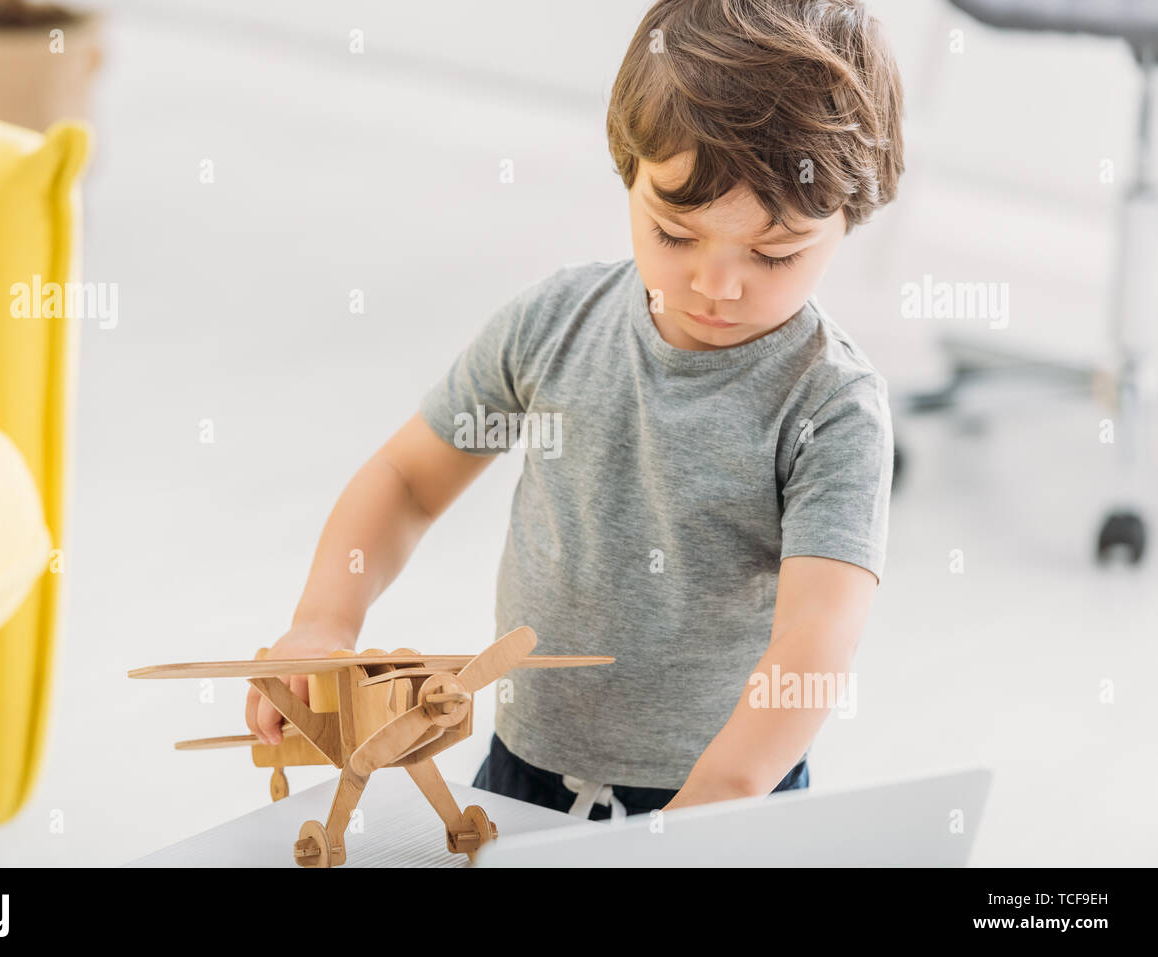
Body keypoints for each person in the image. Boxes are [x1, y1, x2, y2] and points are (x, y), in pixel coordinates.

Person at [246, 0, 903, 821]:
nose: (718, 285)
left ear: (854, 214)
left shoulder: (834, 408)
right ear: (629, 170)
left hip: (726, 794)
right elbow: (408, 480)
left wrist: (704, 810)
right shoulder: (554, 324)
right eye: (675, 232)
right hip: (522, 770)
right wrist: (322, 621)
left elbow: (812, 646)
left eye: (775, 253)